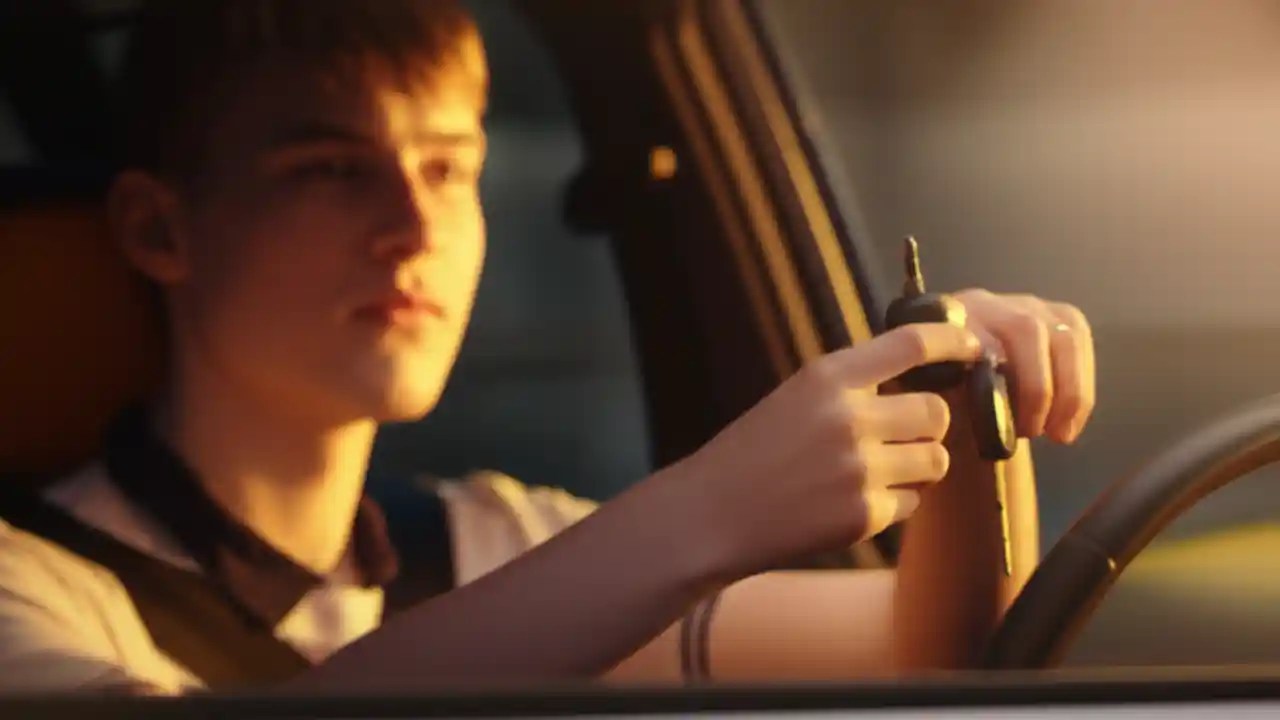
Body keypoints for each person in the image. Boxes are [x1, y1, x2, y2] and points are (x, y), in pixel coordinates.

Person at [0, 0, 1095, 695]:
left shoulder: (497, 543)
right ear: (157, 229)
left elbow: (933, 662)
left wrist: (963, 412)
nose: (414, 226)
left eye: (447, 168)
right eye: (331, 169)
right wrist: (710, 507)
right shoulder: (26, 591)